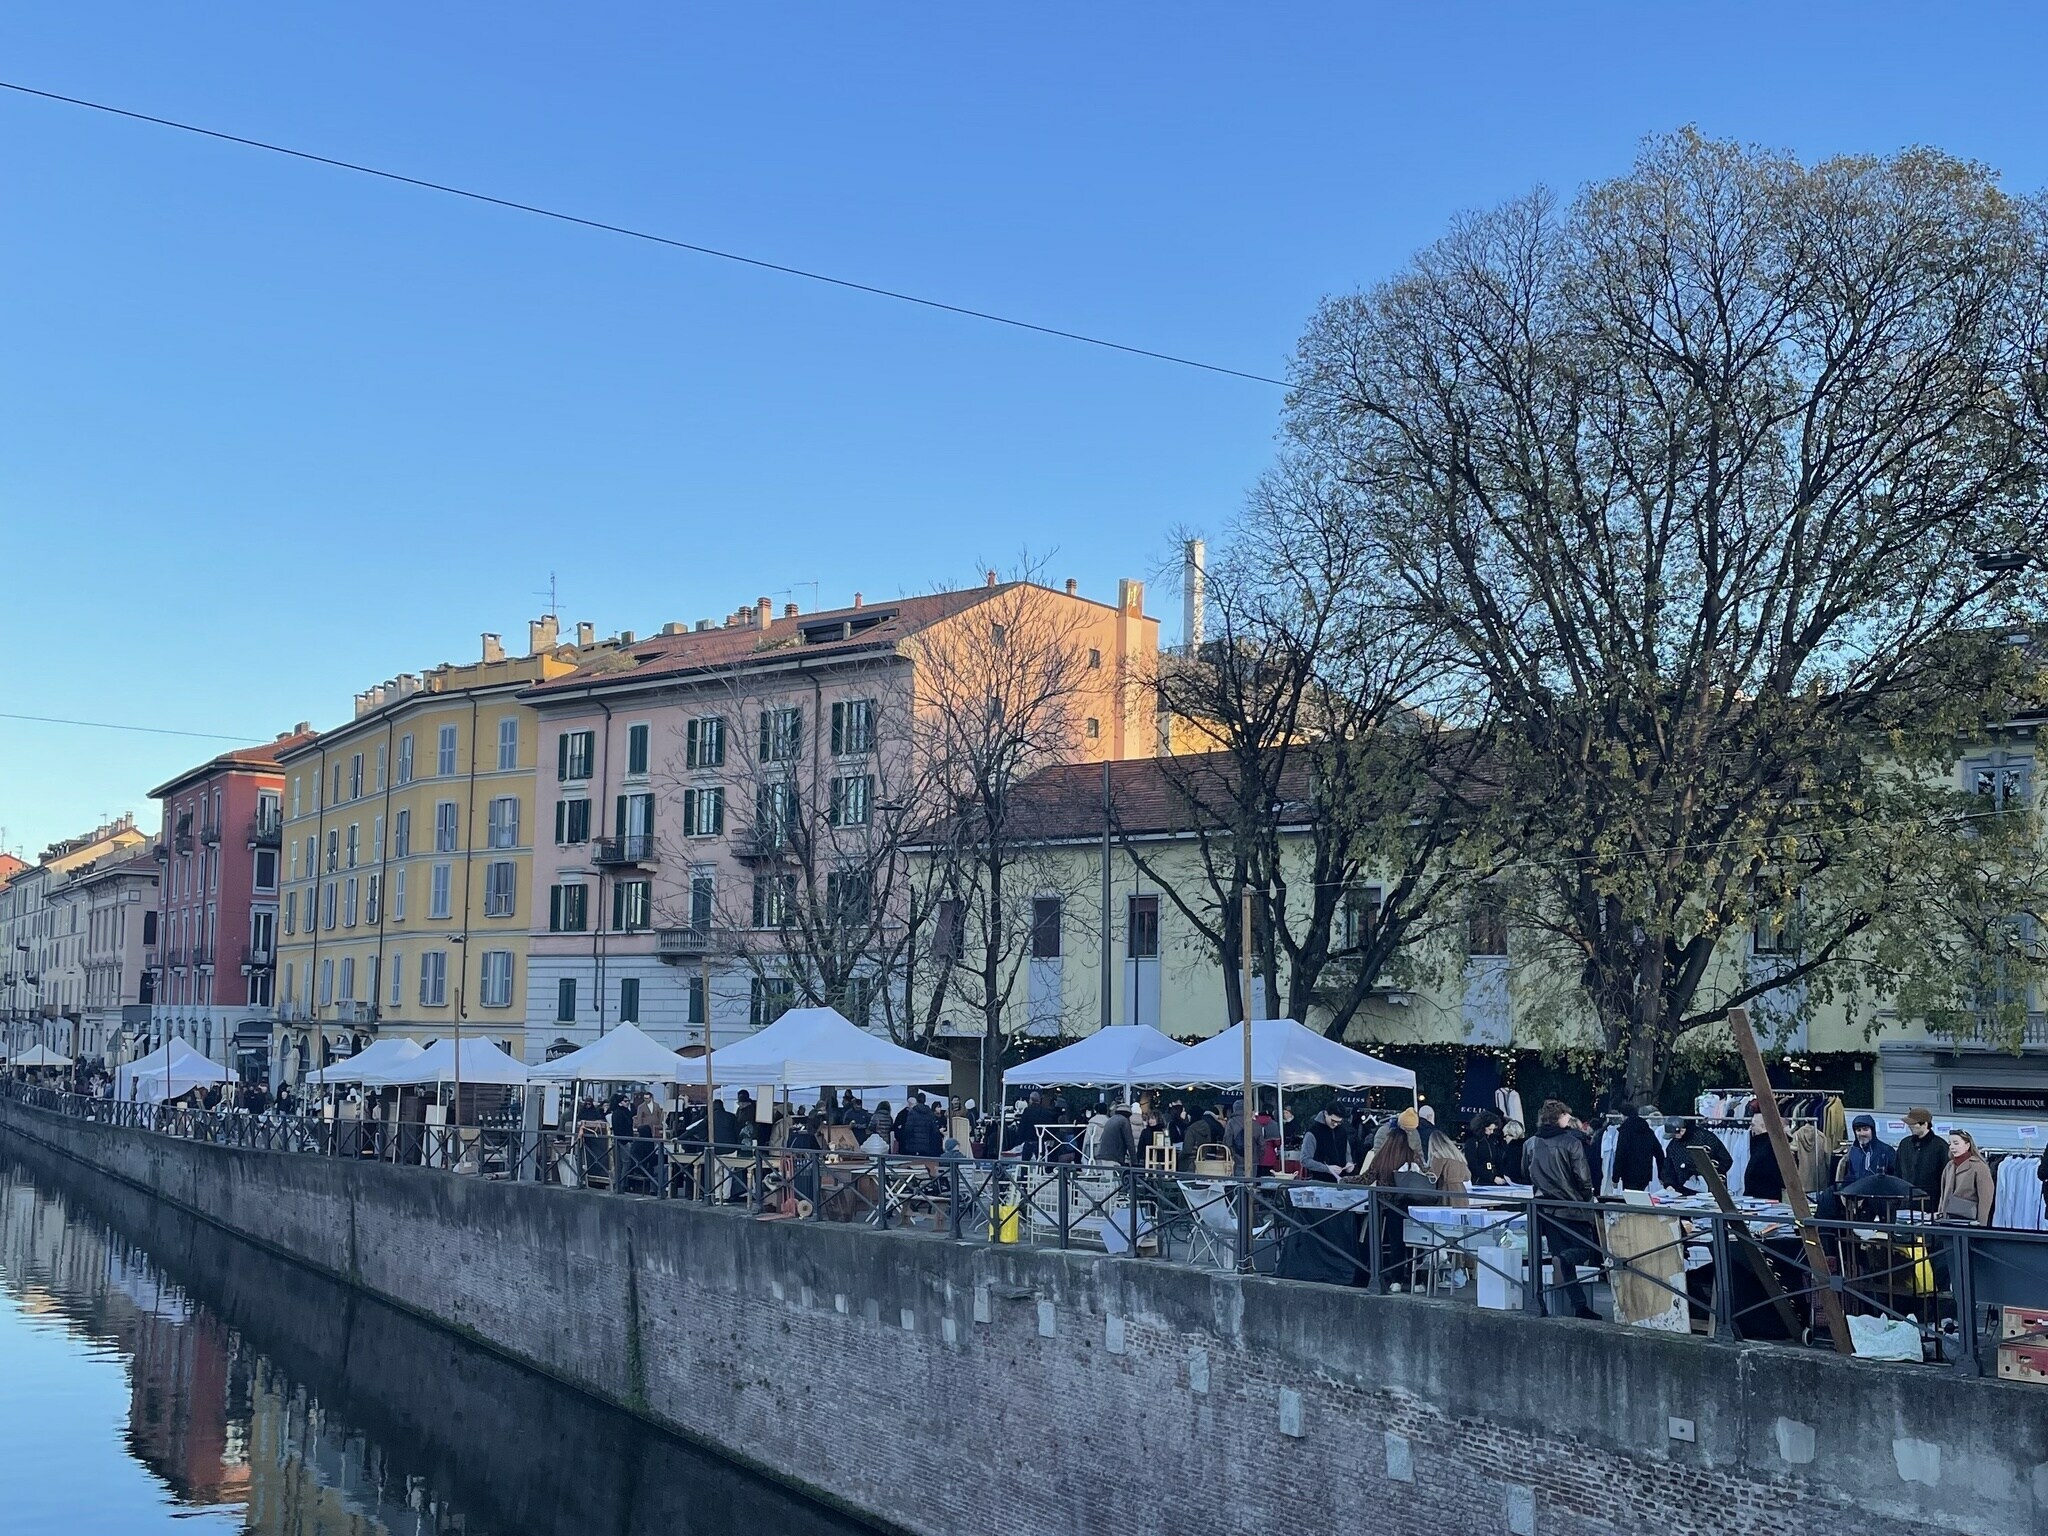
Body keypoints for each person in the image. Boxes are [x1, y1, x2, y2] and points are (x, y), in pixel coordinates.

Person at [1522, 1098, 1600, 1320]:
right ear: (1560, 1117)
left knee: (1563, 1256)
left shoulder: (1530, 1143)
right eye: (1566, 1115)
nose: (1569, 1118)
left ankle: (1579, 1305)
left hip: (1545, 1208)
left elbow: (1525, 1172)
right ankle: (1579, 1306)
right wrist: (1586, 1199)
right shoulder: (1571, 1142)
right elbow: (1583, 1177)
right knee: (1587, 1249)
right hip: (1572, 1206)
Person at [1938, 1129, 1996, 1226]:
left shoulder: (1979, 1167)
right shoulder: (1950, 1165)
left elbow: (1985, 1199)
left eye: (1956, 1143)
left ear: (1967, 1145)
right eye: (1950, 1144)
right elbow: (1943, 1194)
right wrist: (1940, 1213)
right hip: (1948, 1219)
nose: (1952, 1147)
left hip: (1969, 1220)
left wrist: (1981, 1224)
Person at [1609, 1104, 1670, 1193]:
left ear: (1623, 1115)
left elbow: (1620, 1155)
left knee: (1630, 1198)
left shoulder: (1625, 1132)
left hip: (1628, 1173)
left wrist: (1615, 1178)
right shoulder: (1647, 1131)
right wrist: (1662, 1176)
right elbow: (1659, 1153)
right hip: (1644, 1173)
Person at [1895, 1108, 1946, 1209]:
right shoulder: (1905, 1144)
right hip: (1905, 1202)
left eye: (1914, 1124)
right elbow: (1898, 1172)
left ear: (1925, 1124)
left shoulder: (1940, 1146)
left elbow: (1944, 1178)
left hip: (1930, 1204)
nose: (1910, 1127)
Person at [1664, 1116, 1730, 1191]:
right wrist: (1669, 1184)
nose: (1674, 1138)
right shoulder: (1673, 1146)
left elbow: (1725, 1160)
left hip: (1711, 1187)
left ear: (1682, 1130)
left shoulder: (1706, 1137)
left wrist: (1710, 1174)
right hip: (1684, 1190)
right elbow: (1668, 1167)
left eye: (1674, 1135)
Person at [1837, 1114, 1896, 1185]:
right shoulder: (1853, 1151)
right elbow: (1850, 1176)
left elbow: (1895, 1177)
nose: (1862, 1133)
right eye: (1858, 1130)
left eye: (1865, 1129)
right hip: (1856, 1192)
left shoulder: (1887, 1150)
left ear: (1872, 1130)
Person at [1298, 1106, 1351, 1181]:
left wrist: (1349, 1163)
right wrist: (1327, 1169)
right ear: (1326, 1114)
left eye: (1339, 1122)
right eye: (1333, 1121)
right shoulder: (1313, 1132)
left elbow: (1347, 1152)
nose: (1335, 1124)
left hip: (1341, 1181)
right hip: (1320, 1182)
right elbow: (1305, 1160)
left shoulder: (1342, 1131)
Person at [1741, 1112, 1785, 1200]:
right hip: (1759, 1196)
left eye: (1753, 1125)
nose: (1751, 1128)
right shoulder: (1759, 1143)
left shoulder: (1770, 1146)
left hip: (1765, 1196)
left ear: (1763, 1126)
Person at [1462, 1109, 1511, 1186]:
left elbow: (1498, 1161)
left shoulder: (1493, 1141)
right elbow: (1473, 1165)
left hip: (1494, 1179)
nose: (1492, 1132)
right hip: (1479, 1181)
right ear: (1482, 1126)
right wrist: (1492, 1177)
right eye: (1490, 1129)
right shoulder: (1472, 1142)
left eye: (1493, 1129)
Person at [898, 1093, 943, 1158]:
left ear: (917, 1100)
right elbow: (934, 1130)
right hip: (926, 1143)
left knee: (914, 1163)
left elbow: (908, 1129)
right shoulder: (930, 1113)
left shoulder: (912, 1112)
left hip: (913, 1143)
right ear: (925, 1100)